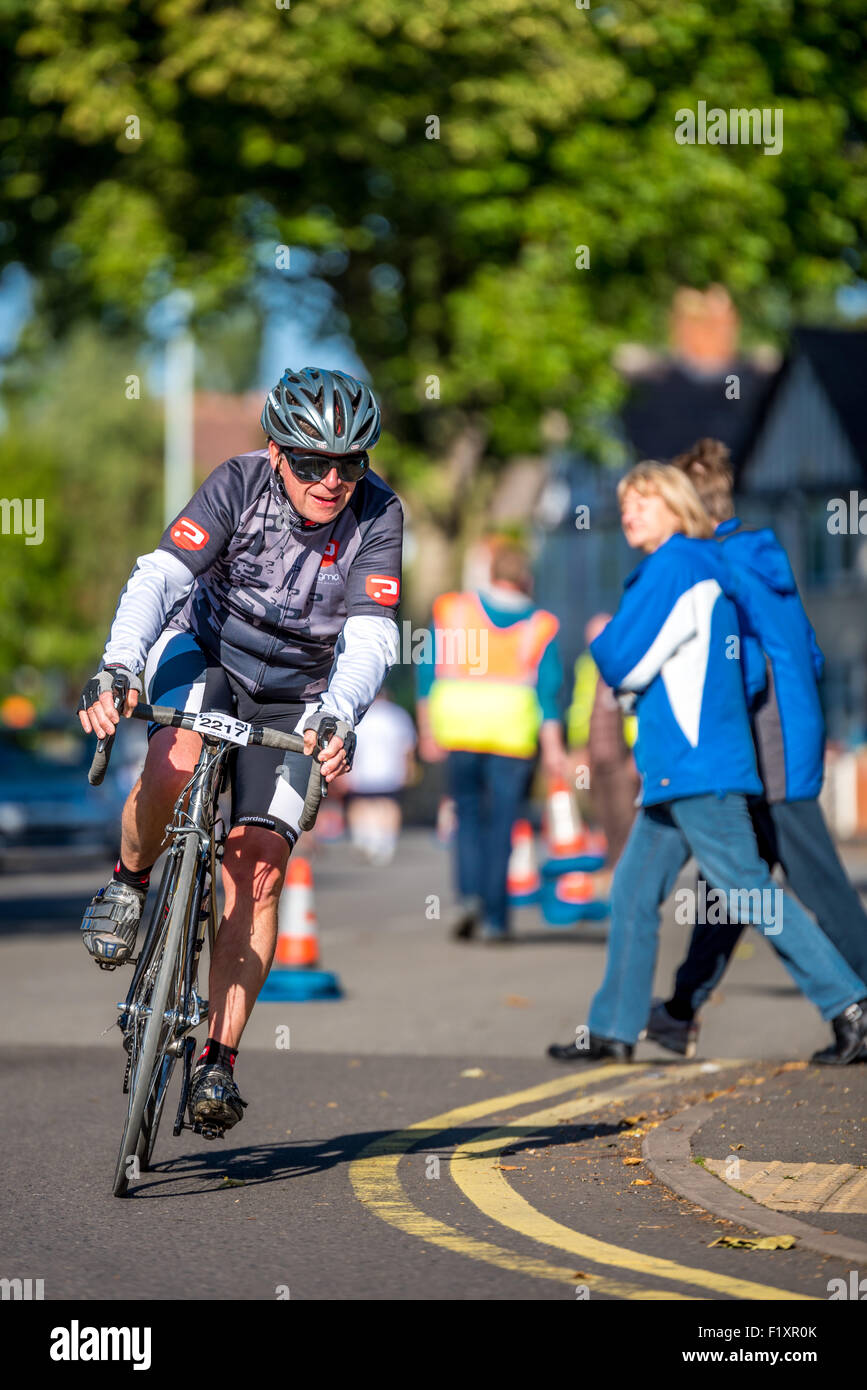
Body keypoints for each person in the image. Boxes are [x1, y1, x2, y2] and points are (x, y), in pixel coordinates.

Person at [78, 367, 403, 1131]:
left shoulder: (380, 514)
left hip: (299, 693)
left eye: (350, 463)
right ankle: (128, 881)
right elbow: (160, 576)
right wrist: (121, 661)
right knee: (178, 753)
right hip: (208, 654)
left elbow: (371, 635)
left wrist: (338, 714)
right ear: (276, 451)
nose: (332, 480)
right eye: (312, 461)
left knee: (256, 868)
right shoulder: (237, 482)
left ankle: (216, 1063)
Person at [547, 463, 867, 1065]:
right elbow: (745, 668)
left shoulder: (675, 564)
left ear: (675, 506)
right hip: (687, 766)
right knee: (634, 892)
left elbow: (621, 661)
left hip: (696, 766)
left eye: (643, 500)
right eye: (625, 502)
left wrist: (605, 640)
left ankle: (851, 1004)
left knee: (749, 893)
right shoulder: (713, 569)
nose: (630, 512)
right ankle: (614, 1029)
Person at [644, 438, 867, 1063]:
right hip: (791, 733)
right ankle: (681, 1009)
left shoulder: (714, 565)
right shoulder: (761, 555)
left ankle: (859, 1009)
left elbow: (736, 671)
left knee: (814, 884)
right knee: (733, 882)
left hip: (763, 748)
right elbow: (808, 651)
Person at [416, 541, 567, 942]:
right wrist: (555, 751)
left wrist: (426, 728)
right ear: (526, 579)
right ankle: (496, 919)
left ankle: (468, 897)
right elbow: (548, 694)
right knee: (503, 824)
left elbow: (427, 671)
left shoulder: (452, 609)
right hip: (512, 736)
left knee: (466, 816)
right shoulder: (541, 623)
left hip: (459, 727)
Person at [567, 613, 639, 896]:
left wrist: (638, 754)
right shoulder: (587, 667)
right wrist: (578, 748)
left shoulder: (629, 663)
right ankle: (613, 872)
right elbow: (580, 710)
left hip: (623, 756)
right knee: (604, 815)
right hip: (596, 758)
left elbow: (638, 714)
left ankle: (626, 877)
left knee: (626, 817)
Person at [342, 691, 417, 864]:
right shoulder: (397, 715)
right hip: (390, 770)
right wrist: (409, 767)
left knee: (360, 804)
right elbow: (408, 745)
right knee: (388, 805)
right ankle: (386, 844)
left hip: (361, 770)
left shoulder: (358, 715)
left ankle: (363, 839)